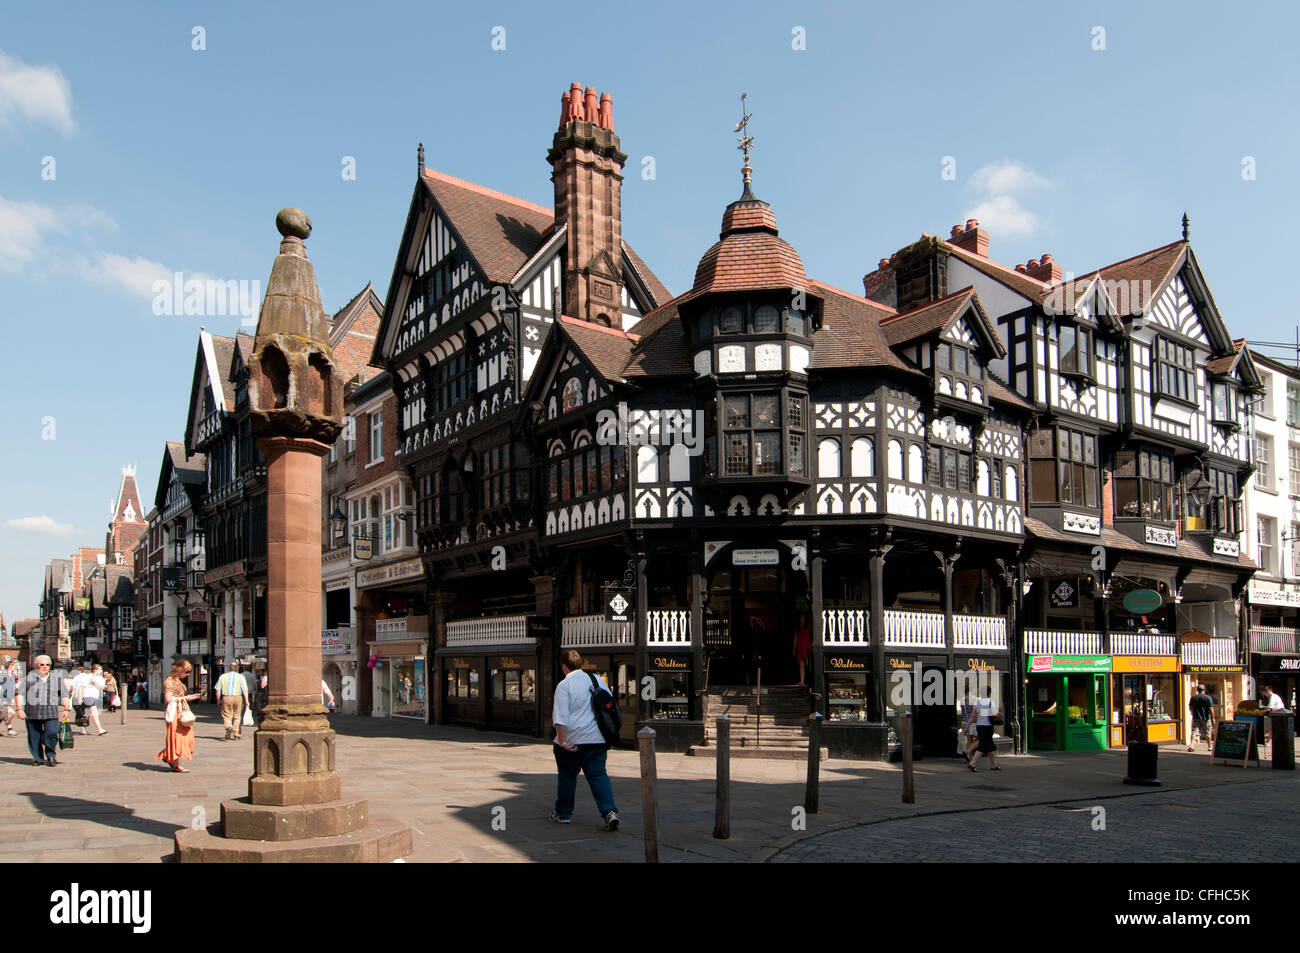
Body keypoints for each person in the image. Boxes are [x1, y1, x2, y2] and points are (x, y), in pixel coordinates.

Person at [549, 649, 619, 830]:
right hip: (597, 739)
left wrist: (562, 741)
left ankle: (563, 814)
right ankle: (609, 812)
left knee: (567, 778)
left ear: (564, 666)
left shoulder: (565, 686)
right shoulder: (598, 681)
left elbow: (560, 719)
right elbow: (610, 709)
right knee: (598, 776)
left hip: (573, 740)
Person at [16, 655, 71, 766]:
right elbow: (19, 694)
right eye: (42, 665)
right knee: (34, 736)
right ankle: (38, 758)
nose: (45, 667)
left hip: (51, 713)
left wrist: (67, 709)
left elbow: (64, 694)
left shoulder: (56, 679)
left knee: (51, 733)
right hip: (32, 713)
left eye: (47, 665)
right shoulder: (28, 679)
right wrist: (19, 709)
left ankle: (51, 756)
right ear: (36, 666)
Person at [157, 660, 201, 772]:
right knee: (176, 737)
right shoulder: (170, 681)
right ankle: (175, 763)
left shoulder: (177, 680)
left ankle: (168, 755)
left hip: (182, 711)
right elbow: (168, 699)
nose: (188, 675)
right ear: (179, 670)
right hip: (175, 712)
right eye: (186, 672)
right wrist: (187, 698)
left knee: (187, 737)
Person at [966, 688, 1001, 772]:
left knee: (989, 746)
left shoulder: (977, 703)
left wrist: (967, 727)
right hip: (988, 726)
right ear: (989, 693)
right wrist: (997, 714)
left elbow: (973, 716)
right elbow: (994, 713)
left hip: (979, 725)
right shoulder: (990, 702)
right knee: (983, 745)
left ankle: (993, 765)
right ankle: (972, 762)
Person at [215, 662, 249, 741]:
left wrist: (218, 699)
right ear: (237, 668)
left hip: (226, 697)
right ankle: (236, 733)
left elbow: (217, 689)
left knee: (227, 715)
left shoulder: (223, 676)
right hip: (238, 697)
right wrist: (247, 700)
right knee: (237, 716)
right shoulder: (241, 677)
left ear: (229, 668)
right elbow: (244, 689)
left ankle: (228, 727)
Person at [79, 664, 107, 736]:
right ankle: (99, 729)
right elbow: (81, 687)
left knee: (87, 713)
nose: (101, 671)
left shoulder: (99, 678)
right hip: (88, 695)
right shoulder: (88, 677)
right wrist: (80, 698)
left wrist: (95, 683)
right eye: (99, 669)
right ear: (95, 670)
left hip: (94, 696)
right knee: (94, 712)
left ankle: (83, 729)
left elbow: (103, 687)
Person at [1188, 684, 1216, 752]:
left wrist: (1192, 713)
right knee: (1208, 732)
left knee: (1194, 731)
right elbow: (1211, 709)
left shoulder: (1193, 698)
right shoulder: (1208, 698)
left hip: (1196, 717)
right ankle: (1209, 746)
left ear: (1197, 690)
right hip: (1206, 718)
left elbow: (1190, 707)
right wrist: (1213, 718)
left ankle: (1192, 745)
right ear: (1204, 690)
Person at [959, 688, 979, 761]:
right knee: (977, 739)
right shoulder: (974, 700)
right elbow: (975, 712)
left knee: (969, 740)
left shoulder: (962, 700)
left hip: (964, 721)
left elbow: (963, 712)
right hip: (973, 722)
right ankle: (969, 753)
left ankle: (970, 757)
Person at [792, 614, 812, 686]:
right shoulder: (797, 628)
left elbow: (811, 636)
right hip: (800, 646)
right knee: (801, 664)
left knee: (808, 664)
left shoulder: (809, 626)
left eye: (803, 618)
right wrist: (794, 648)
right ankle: (802, 681)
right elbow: (796, 638)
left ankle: (812, 679)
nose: (802, 619)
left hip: (807, 646)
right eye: (800, 618)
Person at [0, 658, 16, 736]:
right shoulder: (3, 675)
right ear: (10, 666)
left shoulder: (12, 676)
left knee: (3, 715)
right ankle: (10, 730)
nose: (15, 667)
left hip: (8, 699)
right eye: (14, 666)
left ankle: (10, 730)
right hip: (2, 699)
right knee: (10, 713)